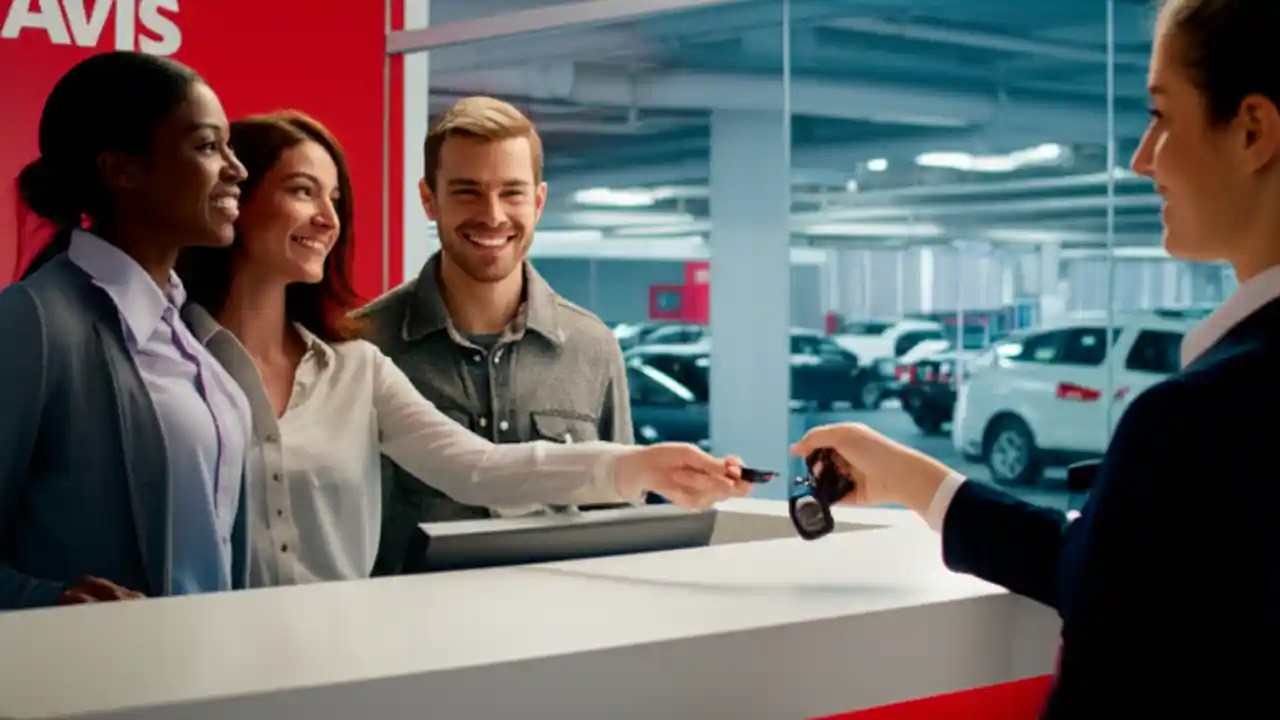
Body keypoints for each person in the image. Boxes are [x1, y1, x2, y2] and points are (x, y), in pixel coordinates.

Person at [793, 0, 1277, 715]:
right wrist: (919, 482)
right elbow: (1113, 569)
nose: (1143, 158)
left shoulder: (1197, 422)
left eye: (1162, 116)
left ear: (1251, 130)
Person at [176, 110, 746, 587]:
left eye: (335, 198)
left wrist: (637, 466)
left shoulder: (355, 367)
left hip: (347, 659)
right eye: (303, 191)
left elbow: (478, 467)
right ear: (233, 200)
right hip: (212, 656)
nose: (329, 218)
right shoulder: (169, 360)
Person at [0, 51, 253, 609]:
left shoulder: (188, 332)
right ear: (122, 169)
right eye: (208, 146)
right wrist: (49, 599)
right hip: (87, 686)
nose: (237, 168)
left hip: (208, 678)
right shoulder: (33, 322)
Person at [356, 96, 637, 576]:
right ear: (429, 199)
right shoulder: (364, 345)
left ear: (539, 201)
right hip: (410, 642)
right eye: (467, 191)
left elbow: (620, 513)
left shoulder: (593, 347)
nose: (492, 215)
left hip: (560, 635)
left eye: (512, 192)